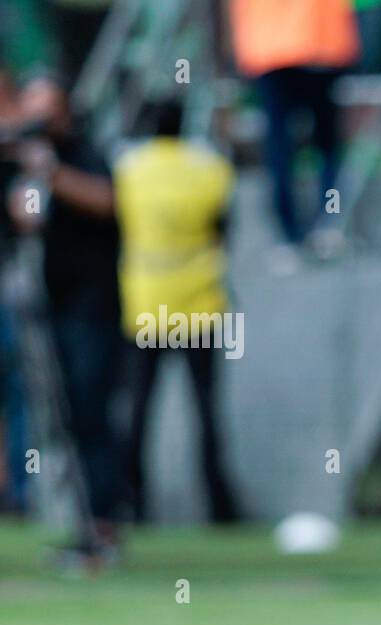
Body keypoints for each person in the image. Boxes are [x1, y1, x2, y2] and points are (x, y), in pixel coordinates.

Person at [9, 75, 121, 564]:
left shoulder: (86, 152)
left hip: (94, 306)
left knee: (93, 412)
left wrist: (51, 172)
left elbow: (108, 201)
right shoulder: (31, 165)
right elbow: (26, 217)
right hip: (53, 304)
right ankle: (80, 523)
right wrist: (28, 174)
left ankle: (104, 526)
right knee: (68, 415)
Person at [113, 97, 239, 523]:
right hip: (201, 301)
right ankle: (219, 505)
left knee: (139, 409)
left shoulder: (128, 168)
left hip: (146, 302)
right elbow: (224, 230)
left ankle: (134, 504)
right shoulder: (209, 168)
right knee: (206, 410)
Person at [227, 0, 359, 257]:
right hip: (319, 41)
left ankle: (291, 233)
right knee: (326, 141)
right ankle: (326, 222)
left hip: (270, 43)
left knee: (281, 144)